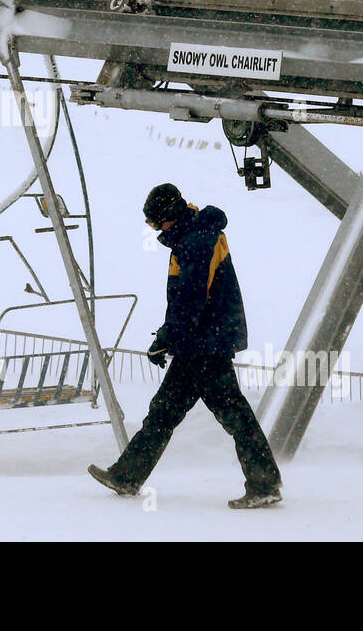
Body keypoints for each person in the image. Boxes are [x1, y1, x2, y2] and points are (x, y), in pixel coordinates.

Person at [88, 183, 283, 509]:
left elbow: (190, 300)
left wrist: (166, 338)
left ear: (169, 217)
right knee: (164, 412)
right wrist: (172, 337)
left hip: (206, 345)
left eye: (155, 223)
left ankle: (265, 483)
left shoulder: (195, 242)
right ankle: (126, 475)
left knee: (232, 416)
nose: (154, 230)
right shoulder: (196, 235)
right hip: (201, 342)